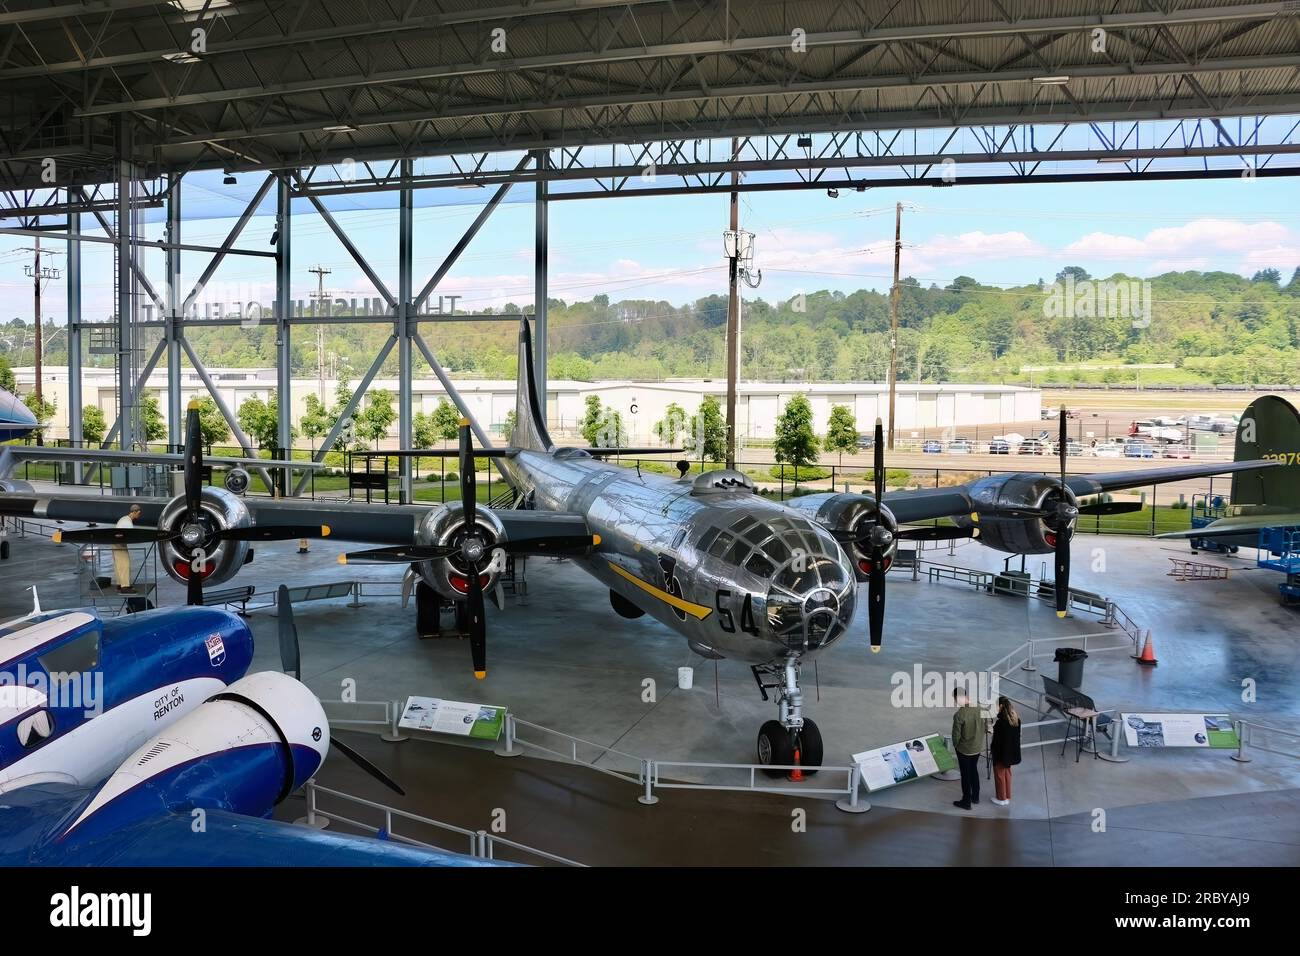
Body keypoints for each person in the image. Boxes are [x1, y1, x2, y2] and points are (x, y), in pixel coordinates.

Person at [951, 687, 983, 810]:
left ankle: (966, 801)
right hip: (977, 747)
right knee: (974, 770)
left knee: (965, 775)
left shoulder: (959, 715)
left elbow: (956, 736)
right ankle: (976, 797)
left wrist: (956, 746)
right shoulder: (979, 708)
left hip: (964, 750)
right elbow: (986, 725)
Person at [990, 696, 1022, 807]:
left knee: (999, 775)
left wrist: (992, 750)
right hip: (1011, 753)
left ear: (1001, 706)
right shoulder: (1016, 720)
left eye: (996, 706)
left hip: (1001, 753)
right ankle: (1007, 796)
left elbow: (997, 741)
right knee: (1007, 774)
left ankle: (1001, 798)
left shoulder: (1001, 723)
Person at [113, 503, 143, 593]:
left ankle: (120, 584)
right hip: (119, 543)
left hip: (117, 542)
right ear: (134, 512)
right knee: (125, 563)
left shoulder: (124, 518)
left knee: (119, 564)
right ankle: (125, 587)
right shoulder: (128, 522)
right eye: (138, 513)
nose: (139, 516)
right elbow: (130, 535)